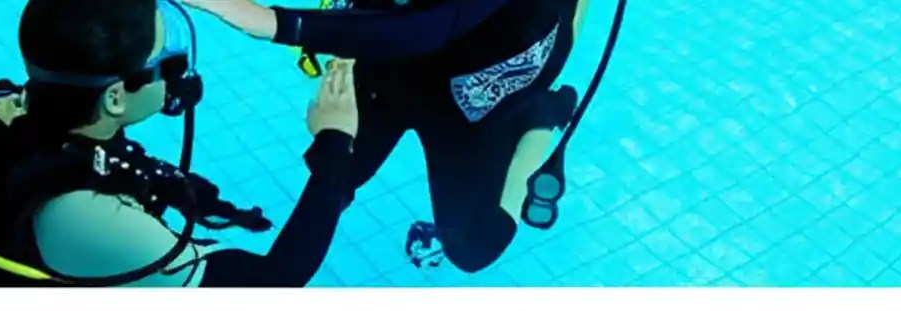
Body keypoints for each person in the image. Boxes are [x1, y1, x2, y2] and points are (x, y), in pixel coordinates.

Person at [0, 0, 358, 288]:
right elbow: (275, 280)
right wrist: (336, 141)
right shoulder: (84, 218)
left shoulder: (5, 102)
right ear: (117, 97)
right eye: (166, 62)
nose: (178, 72)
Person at [181, 0, 597, 273]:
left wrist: (278, 23)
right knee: (336, 168)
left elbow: (436, 22)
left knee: (473, 247)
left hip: (478, 97)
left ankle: (539, 124)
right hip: (395, 69)